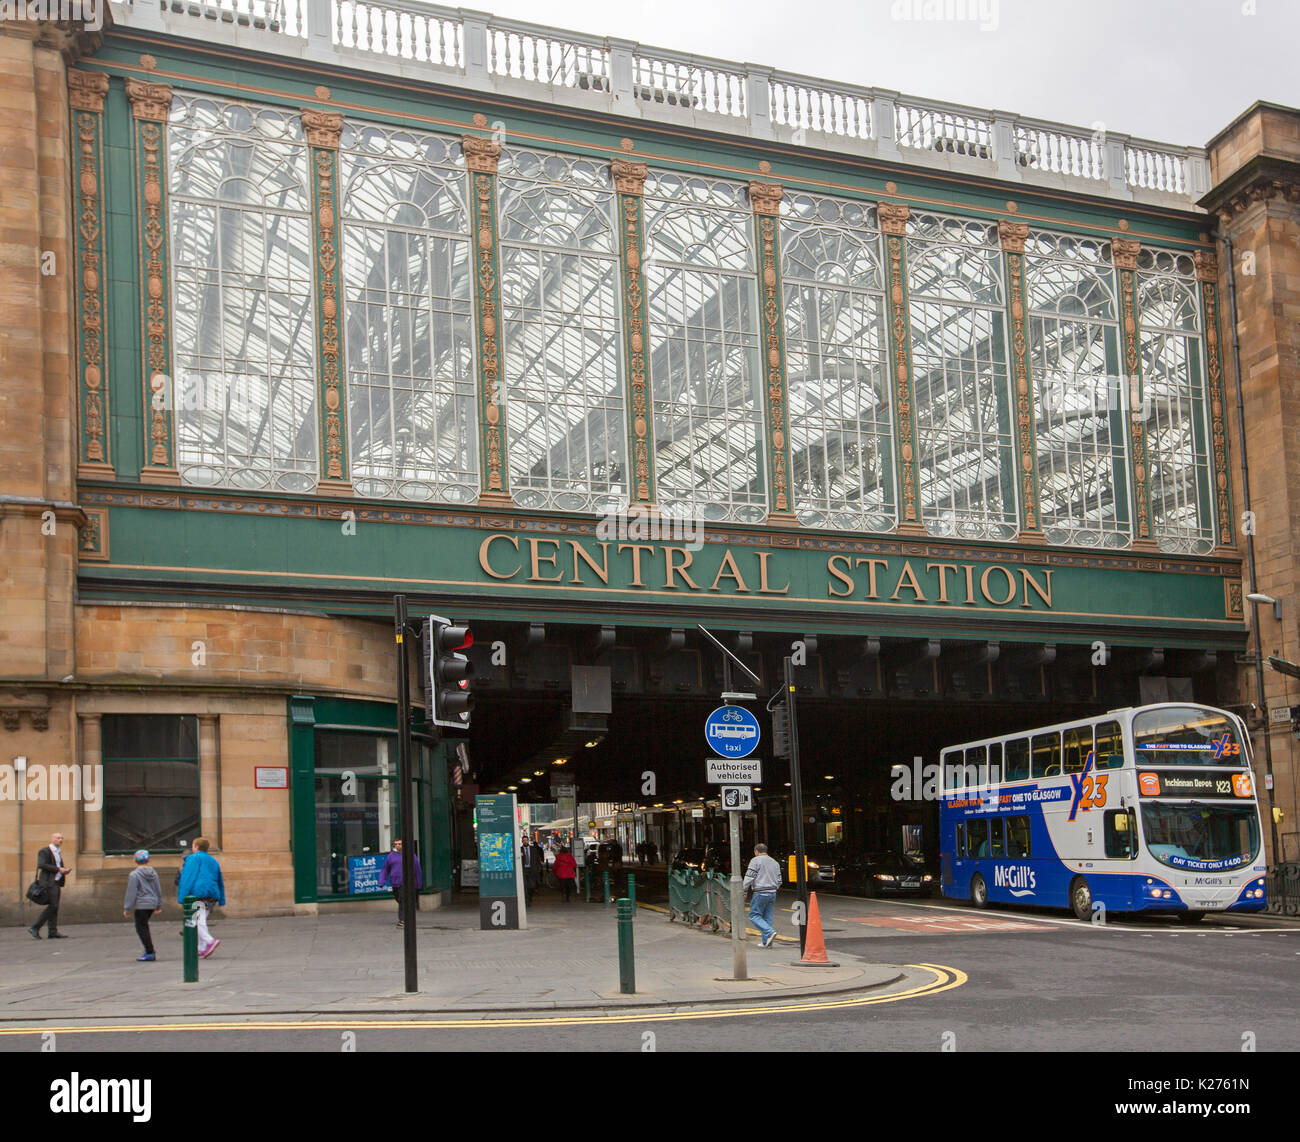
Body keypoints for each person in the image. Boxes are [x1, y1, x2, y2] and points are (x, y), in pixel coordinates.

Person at [177, 837, 225, 958]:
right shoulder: (213, 860)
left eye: (193, 846)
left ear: (196, 847)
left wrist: (182, 896)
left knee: (194, 921)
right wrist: (222, 898)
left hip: (198, 893)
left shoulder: (193, 858)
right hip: (212, 894)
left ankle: (210, 941)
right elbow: (219, 879)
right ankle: (202, 948)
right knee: (201, 920)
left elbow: (187, 878)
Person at [29, 831, 71, 939]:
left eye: (61, 838)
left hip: (56, 882)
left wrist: (63, 871)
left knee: (55, 907)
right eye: (57, 838)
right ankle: (35, 927)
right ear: (51, 839)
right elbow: (41, 864)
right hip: (48, 883)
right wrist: (58, 869)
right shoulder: (45, 851)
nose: (60, 840)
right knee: (53, 906)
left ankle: (52, 931)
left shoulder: (57, 852)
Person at [123, 850, 163, 961]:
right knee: (144, 925)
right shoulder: (153, 873)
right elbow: (158, 889)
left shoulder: (134, 874)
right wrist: (159, 904)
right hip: (152, 902)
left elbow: (131, 892)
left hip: (141, 904)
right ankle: (148, 950)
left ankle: (150, 951)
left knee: (141, 928)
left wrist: (127, 908)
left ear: (135, 860)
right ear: (148, 860)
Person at [742, 842, 782, 948]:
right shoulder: (775, 862)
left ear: (756, 851)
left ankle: (769, 932)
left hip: (760, 892)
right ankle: (766, 942)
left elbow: (749, 877)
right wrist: (774, 888)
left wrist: (744, 891)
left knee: (754, 915)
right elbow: (779, 880)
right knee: (767, 917)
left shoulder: (755, 861)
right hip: (772, 892)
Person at [378, 839, 422, 928]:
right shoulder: (391, 856)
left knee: (403, 900)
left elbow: (417, 870)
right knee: (399, 899)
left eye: (400, 844)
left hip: (407, 883)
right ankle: (408, 916)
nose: (398, 846)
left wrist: (418, 884)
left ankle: (403, 919)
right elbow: (385, 869)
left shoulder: (411, 856)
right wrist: (382, 881)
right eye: (396, 844)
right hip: (395, 883)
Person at [520, 837, 542, 905]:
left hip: (532, 869)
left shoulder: (533, 849)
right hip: (524, 869)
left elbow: (537, 859)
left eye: (526, 840)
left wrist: (538, 868)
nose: (525, 842)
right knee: (525, 885)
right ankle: (527, 899)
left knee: (532, 885)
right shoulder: (519, 849)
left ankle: (530, 896)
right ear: (522, 841)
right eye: (524, 841)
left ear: (528, 841)